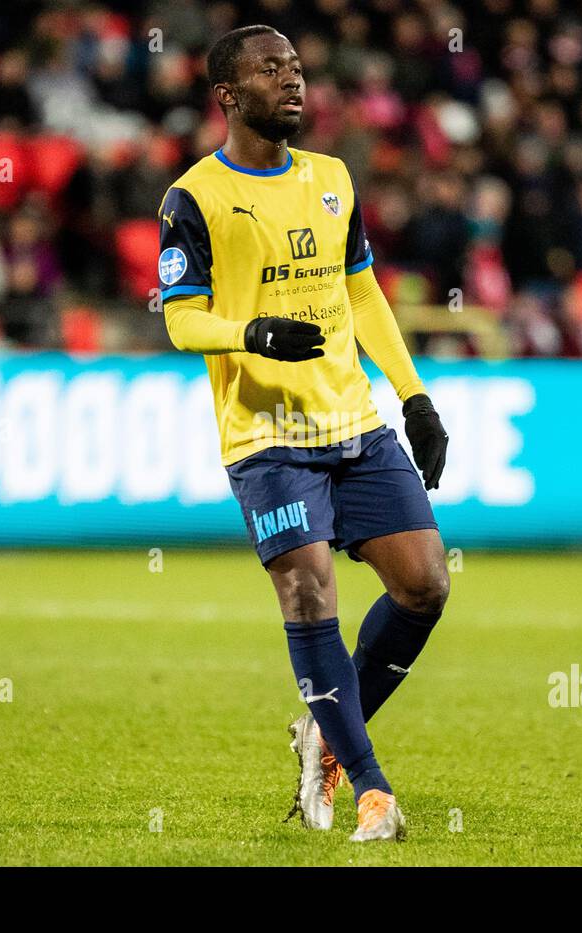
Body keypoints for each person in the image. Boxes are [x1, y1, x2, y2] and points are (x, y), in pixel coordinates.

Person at [158, 26, 451, 842]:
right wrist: (253, 335)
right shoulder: (194, 197)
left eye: (296, 66)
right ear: (227, 93)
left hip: (352, 420)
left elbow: (360, 295)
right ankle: (370, 789)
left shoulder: (332, 178)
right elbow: (181, 322)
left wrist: (415, 397)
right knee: (310, 587)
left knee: (425, 584)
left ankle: (324, 727)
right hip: (266, 434)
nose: (293, 80)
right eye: (270, 69)